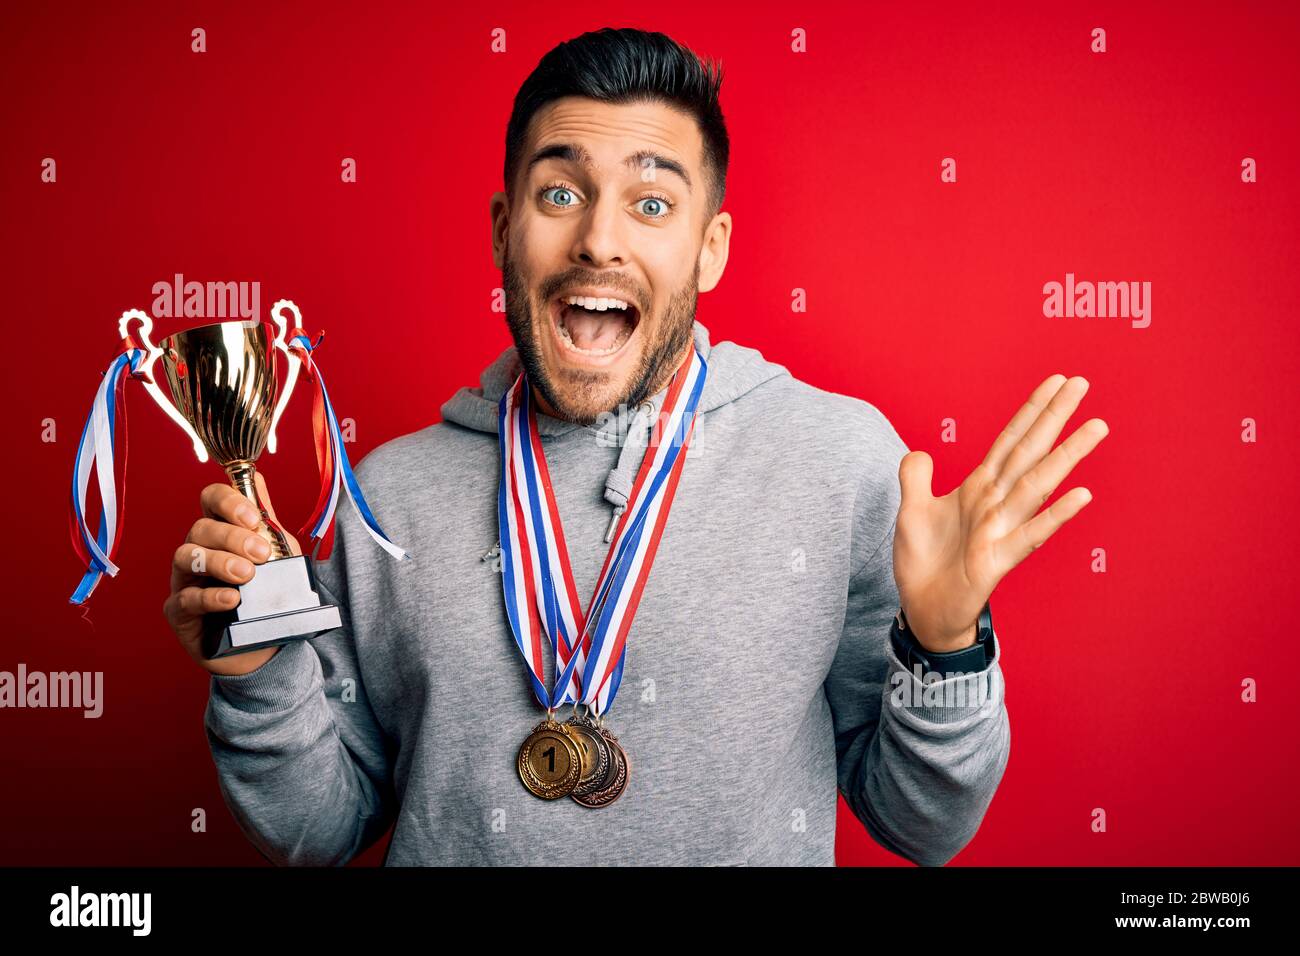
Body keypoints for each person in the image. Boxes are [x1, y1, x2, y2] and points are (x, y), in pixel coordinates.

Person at [163, 28, 1106, 866]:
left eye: (652, 204)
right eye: (561, 191)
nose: (599, 240)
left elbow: (924, 829)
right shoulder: (386, 496)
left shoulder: (840, 461)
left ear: (710, 248)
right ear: (504, 232)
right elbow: (316, 833)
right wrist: (258, 673)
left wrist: (945, 648)